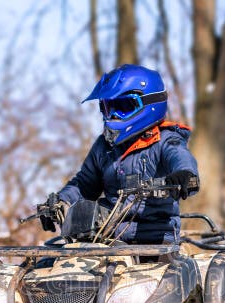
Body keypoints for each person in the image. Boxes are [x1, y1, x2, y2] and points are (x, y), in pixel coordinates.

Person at [40, 64, 199, 244]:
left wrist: (184, 175)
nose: (113, 115)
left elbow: (180, 157)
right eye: (108, 107)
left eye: (123, 106)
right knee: (54, 257)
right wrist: (60, 203)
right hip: (107, 236)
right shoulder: (104, 147)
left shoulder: (165, 141)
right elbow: (84, 185)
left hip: (155, 238)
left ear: (150, 104)